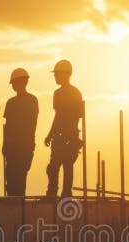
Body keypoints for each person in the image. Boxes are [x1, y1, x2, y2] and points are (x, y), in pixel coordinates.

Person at [44, 59, 83, 199]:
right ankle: (66, 195)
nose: (55, 76)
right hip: (70, 136)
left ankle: (52, 195)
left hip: (63, 137)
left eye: (57, 74)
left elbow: (59, 116)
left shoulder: (59, 93)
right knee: (66, 167)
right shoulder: (76, 92)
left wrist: (50, 135)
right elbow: (79, 115)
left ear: (65, 74)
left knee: (54, 168)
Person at [2, 68, 38, 197]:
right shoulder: (29, 100)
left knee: (17, 176)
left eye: (13, 83)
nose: (12, 85)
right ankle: (16, 201)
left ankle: (16, 202)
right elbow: (8, 127)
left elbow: (30, 124)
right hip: (19, 146)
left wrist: (5, 144)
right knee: (16, 176)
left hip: (20, 146)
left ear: (21, 82)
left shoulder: (16, 102)